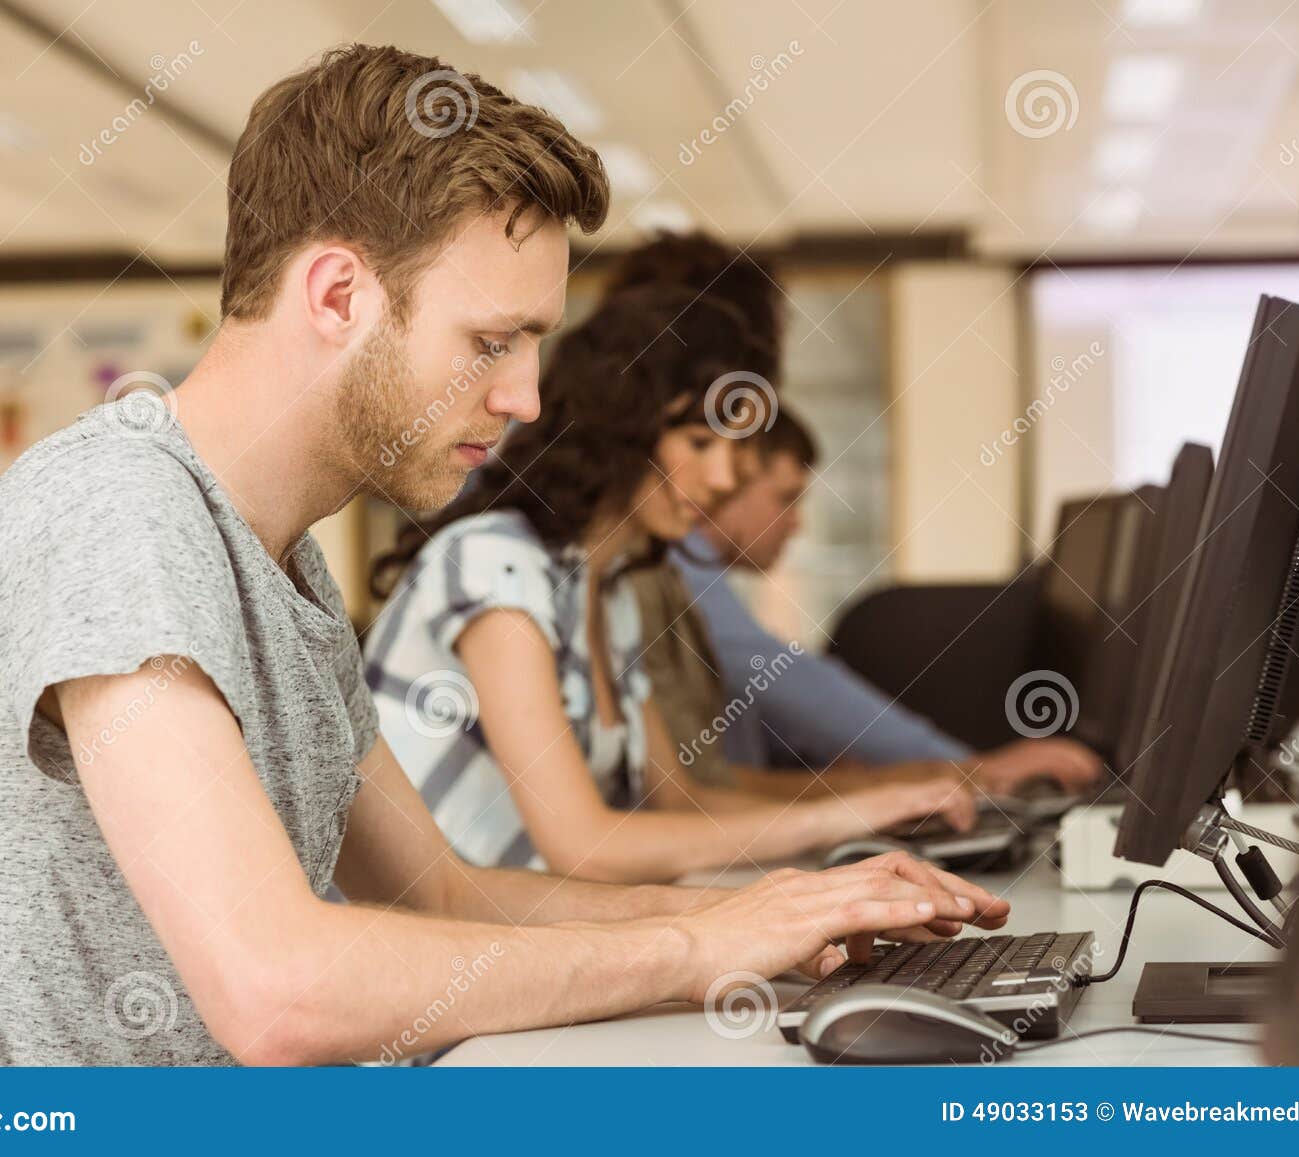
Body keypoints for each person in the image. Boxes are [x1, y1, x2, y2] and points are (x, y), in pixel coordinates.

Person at [0, 45, 1008, 1067]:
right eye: (488, 342)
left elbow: (446, 893)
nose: (523, 397)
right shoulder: (115, 508)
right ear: (336, 295)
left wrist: (769, 911)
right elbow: (277, 990)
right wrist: (693, 945)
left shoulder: (286, 565)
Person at [363, 288, 978, 884]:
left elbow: (680, 804)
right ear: (619, 432)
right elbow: (584, 847)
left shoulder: (611, 595)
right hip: (427, 961)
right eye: (698, 442)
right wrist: (845, 817)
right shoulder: (494, 563)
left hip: (527, 947)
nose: (723, 479)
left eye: (734, 450)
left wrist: (874, 821)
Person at [604, 231, 1099, 795]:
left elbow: (701, 787)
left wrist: (910, 784)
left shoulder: (650, 549)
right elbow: (759, 674)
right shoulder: (605, 538)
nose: (727, 471)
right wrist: (965, 775)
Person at [671, 408, 1102, 794]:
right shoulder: (675, 565)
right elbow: (777, 678)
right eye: (785, 498)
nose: (795, 523)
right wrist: (969, 771)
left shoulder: (693, 571)